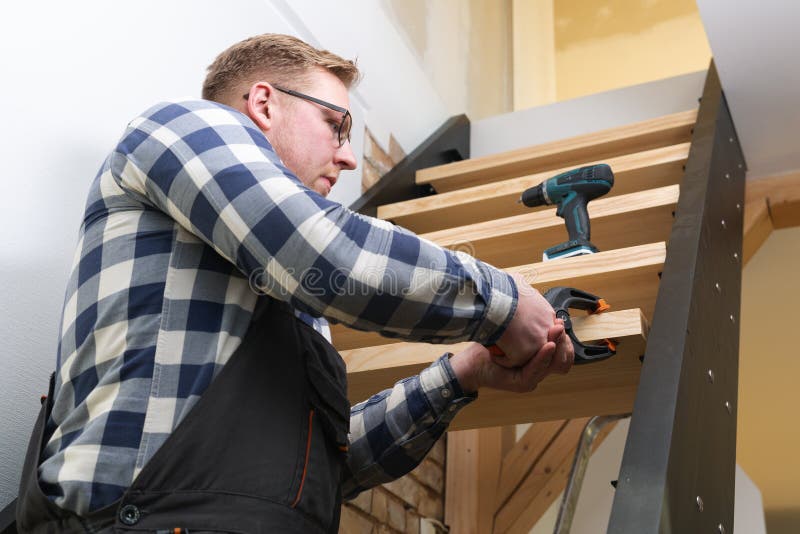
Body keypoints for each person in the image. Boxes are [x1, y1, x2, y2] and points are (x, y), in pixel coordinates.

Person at [16, 34, 573, 533]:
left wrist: (460, 374)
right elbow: (328, 253)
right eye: (337, 125)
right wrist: (503, 303)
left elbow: (317, 473)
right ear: (263, 103)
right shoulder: (184, 125)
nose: (350, 158)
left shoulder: (293, 306)